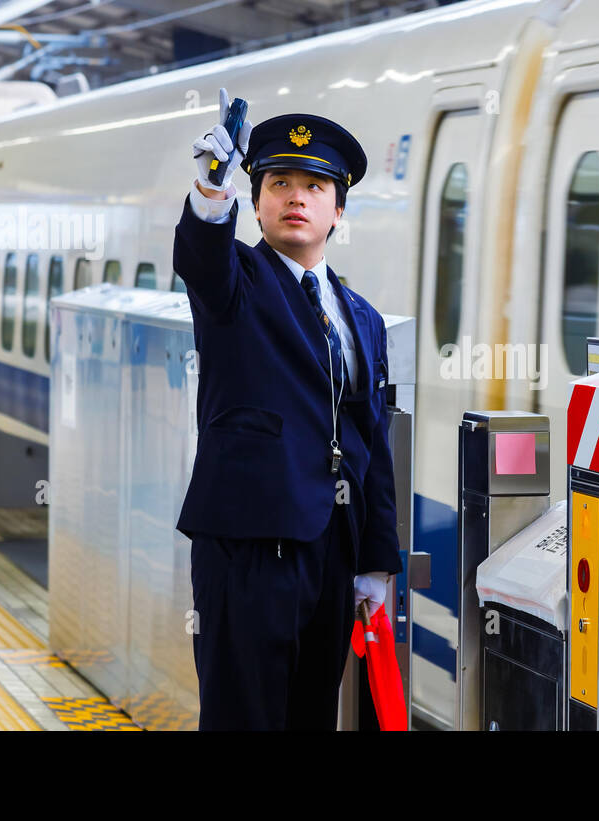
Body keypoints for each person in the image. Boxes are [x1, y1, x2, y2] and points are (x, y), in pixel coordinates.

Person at [173, 88, 403, 730]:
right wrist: (208, 193)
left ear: (337, 210)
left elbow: (371, 442)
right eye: (278, 182)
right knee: (243, 717)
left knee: (312, 717)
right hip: (249, 550)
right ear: (256, 201)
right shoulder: (238, 283)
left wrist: (376, 562)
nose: (295, 197)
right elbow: (201, 259)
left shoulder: (363, 318)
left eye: (313, 186)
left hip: (331, 549)